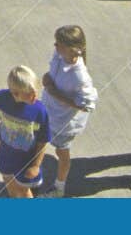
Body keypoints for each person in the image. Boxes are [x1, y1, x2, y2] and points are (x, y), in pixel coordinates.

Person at [38, 25, 96, 198]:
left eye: (60, 45)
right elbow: (52, 73)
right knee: (39, 138)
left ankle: (59, 187)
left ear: (73, 50)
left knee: (61, 152)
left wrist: (55, 92)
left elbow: (87, 104)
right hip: (48, 110)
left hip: (63, 122)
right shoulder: (59, 55)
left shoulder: (80, 76)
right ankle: (33, 172)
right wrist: (48, 78)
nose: (55, 47)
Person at [0, 64, 50, 198]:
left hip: (26, 160)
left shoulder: (39, 111)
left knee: (24, 191)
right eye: (30, 93)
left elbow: (43, 141)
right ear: (16, 93)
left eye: (35, 90)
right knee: (9, 182)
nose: (35, 95)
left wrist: (36, 165)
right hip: (6, 154)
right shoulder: (1, 98)